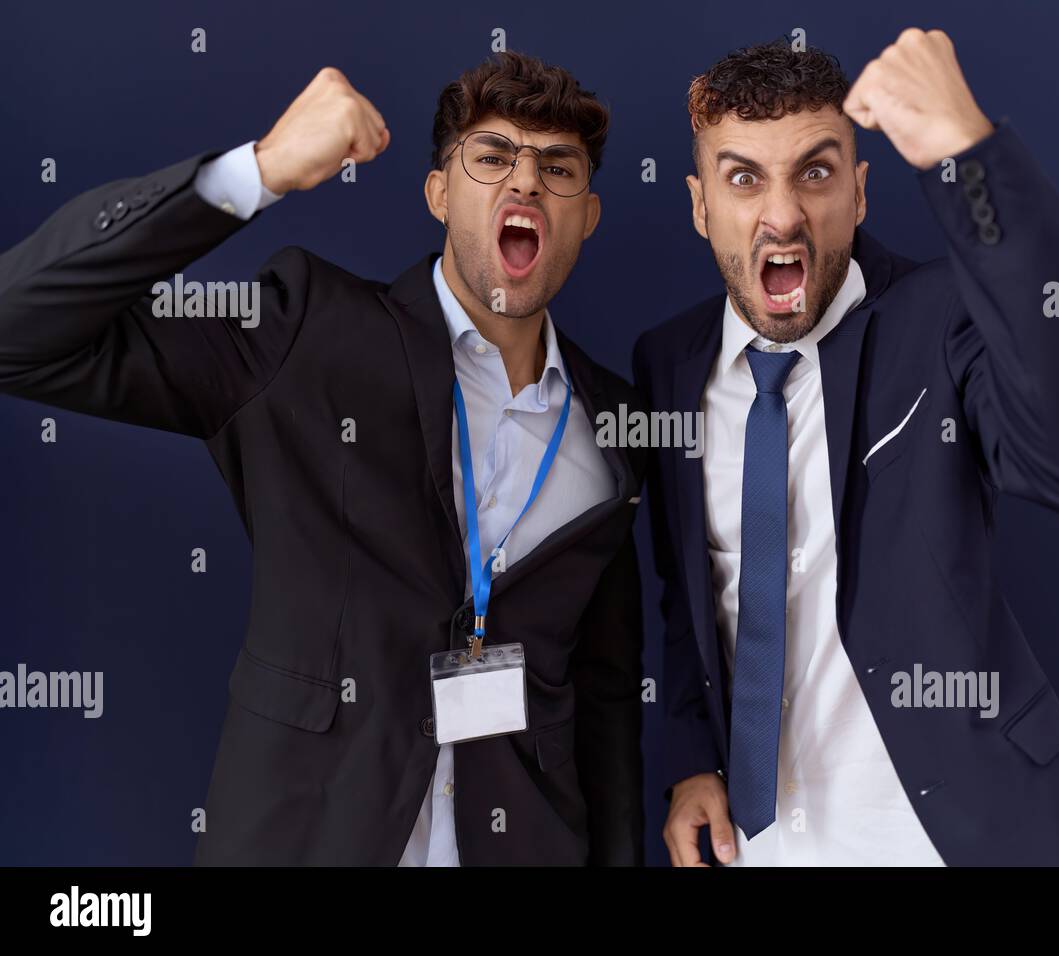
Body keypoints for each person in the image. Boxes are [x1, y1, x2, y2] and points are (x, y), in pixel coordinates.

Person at [0, 51, 646, 866]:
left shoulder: (618, 417)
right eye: (491, 157)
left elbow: (607, 695)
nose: (524, 183)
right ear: (439, 194)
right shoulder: (306, 333)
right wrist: (258, 171)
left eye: (557, 169)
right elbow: (15, 328)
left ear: (587, 214)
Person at [634, 32, 1059, 866]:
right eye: (743, 178)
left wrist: (967, 154)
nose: (784, 214)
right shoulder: (668, 363)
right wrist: (693, 761)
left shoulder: (940, 316)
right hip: (765, 849)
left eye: (816, 171)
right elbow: (689, 597)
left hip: (967, 837)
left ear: (861, 192)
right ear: (699, 205)